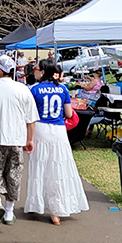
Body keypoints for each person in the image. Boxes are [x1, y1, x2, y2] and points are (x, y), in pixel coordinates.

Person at [0, 55, 38, 230]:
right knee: (14, 174)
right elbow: (31, 119)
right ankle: (9, 212)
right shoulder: (23, 89)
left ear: (0, 71)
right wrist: (30, 139)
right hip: (16, 138)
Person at [25, 59, 89, 225]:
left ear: (43, 71)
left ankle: (37, 203)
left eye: (37, 68)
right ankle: (57, 211)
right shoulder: (62, 89)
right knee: (59, 167)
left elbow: (29, 114)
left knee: (40, 167)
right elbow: (68, 114)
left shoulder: (34, 89)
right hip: (59, 130)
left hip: (40, 129)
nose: (34, 70)